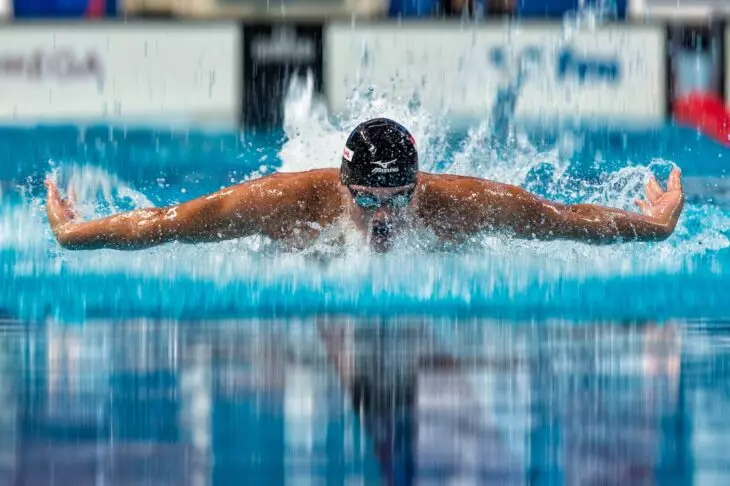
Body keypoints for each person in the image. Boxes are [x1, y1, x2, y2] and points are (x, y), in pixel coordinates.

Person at [46, 118, 684, 253]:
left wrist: (655, 225)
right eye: (368, 199)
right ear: (343, 183)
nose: (383, 216)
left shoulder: (462, 204)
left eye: (397, 197)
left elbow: (566, 219)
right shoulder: (283, 204)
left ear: (417, 183)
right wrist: (76, 233)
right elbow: (167, 223)